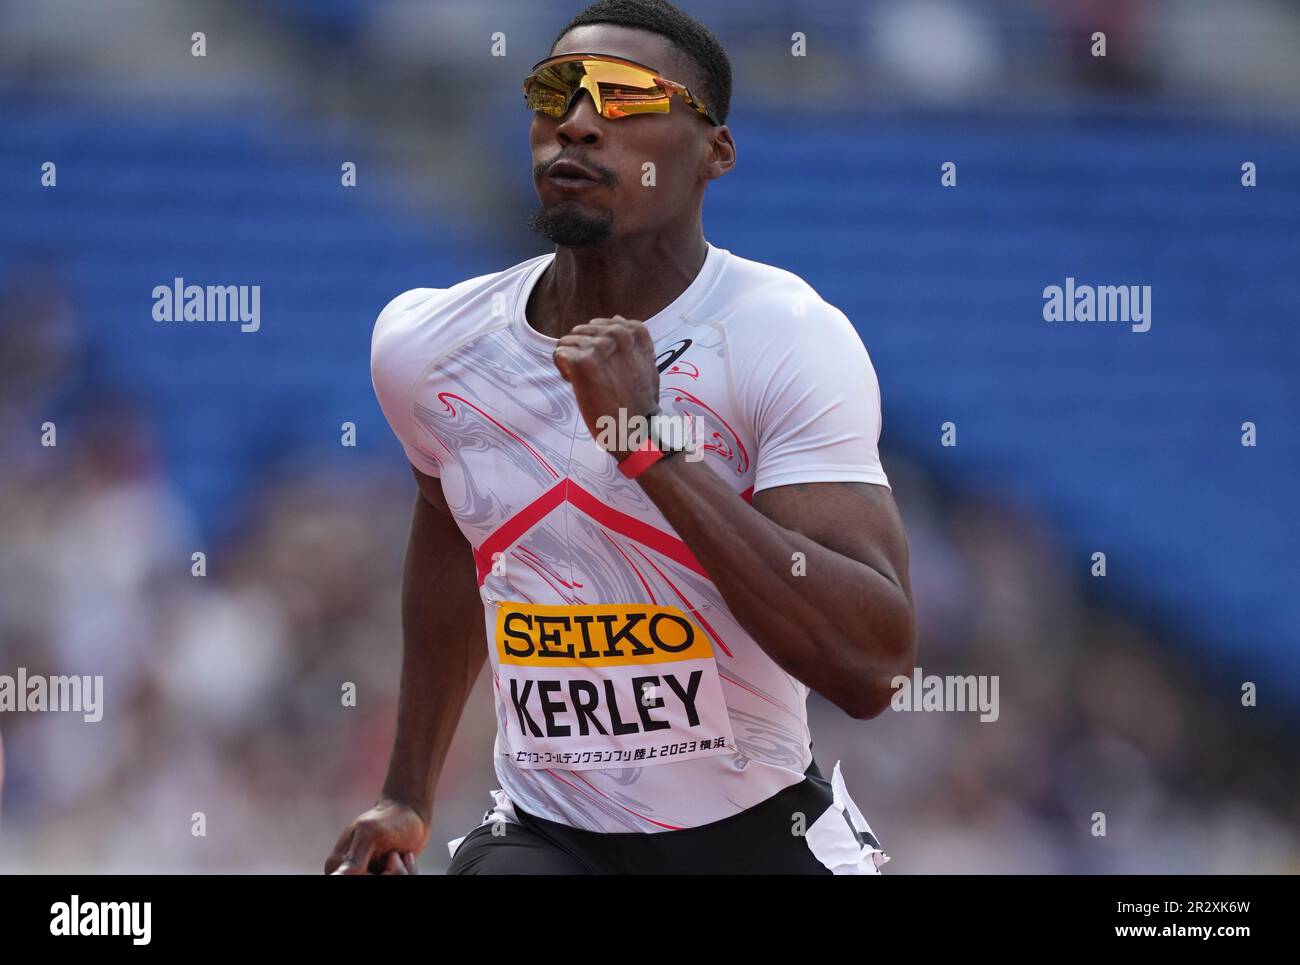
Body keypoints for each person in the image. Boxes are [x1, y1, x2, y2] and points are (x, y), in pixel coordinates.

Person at [325, 0, 914, 875]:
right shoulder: (430, 345)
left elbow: (873, 667)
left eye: (627, 96)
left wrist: (646, 446)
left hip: (757, 832)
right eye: (554, 91)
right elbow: (453, 516)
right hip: (546, 836)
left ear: (715, 150)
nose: (577, 121)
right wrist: (408, 790)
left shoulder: (783, 337)